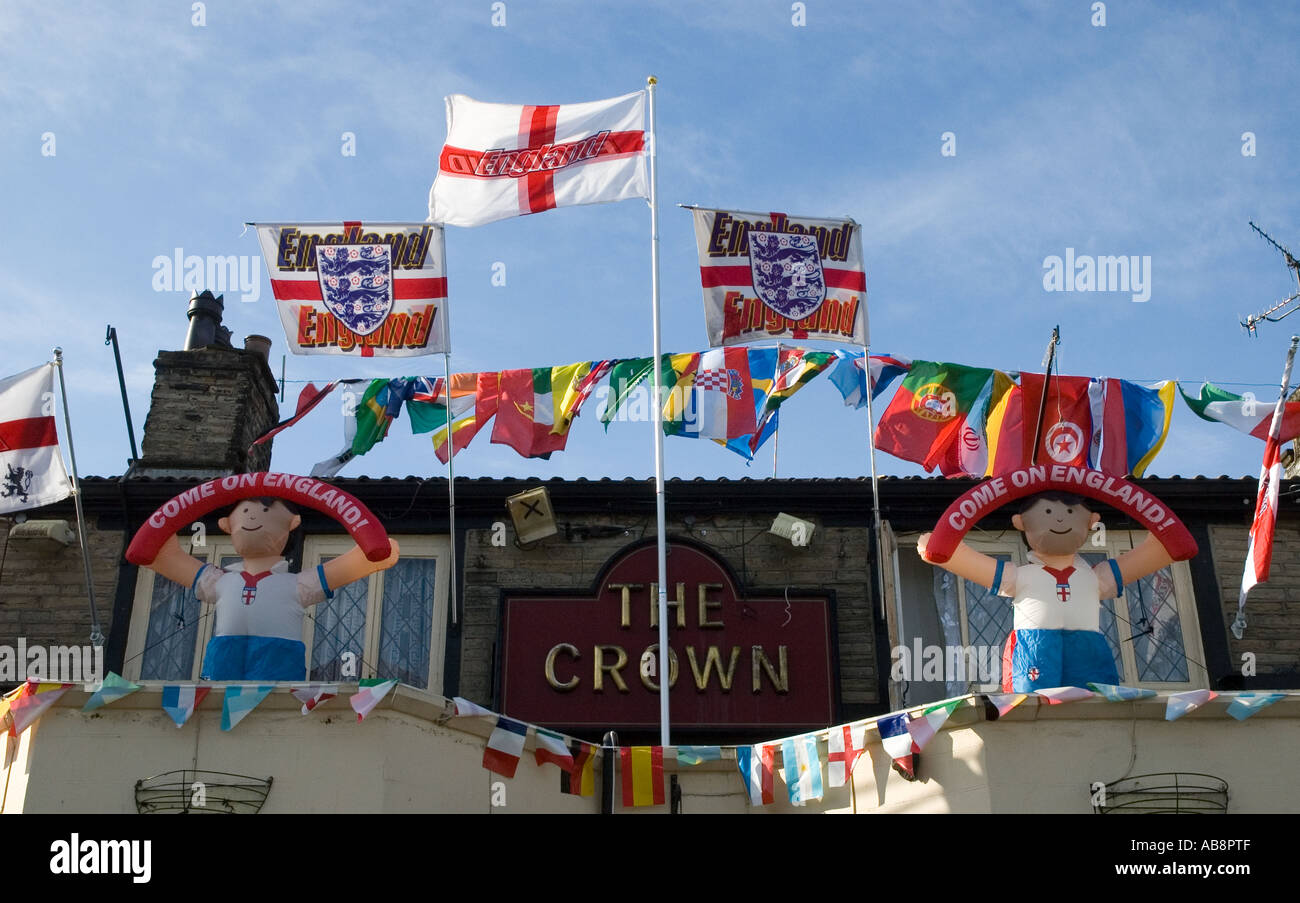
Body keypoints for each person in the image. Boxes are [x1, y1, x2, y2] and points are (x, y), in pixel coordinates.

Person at [917, 491, 1174, 692]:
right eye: (1048, 511)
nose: (1060, 519)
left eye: (1071, 512)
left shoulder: (1095, 576)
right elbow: (965, 561)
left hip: (1087, 645)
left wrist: (1166, 540)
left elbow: (1159, 552)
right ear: (1021, 523)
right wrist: (943, 549)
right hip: (1035, 646)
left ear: (1092, 521)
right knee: (1033, 701)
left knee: (1095, 699)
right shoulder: (1020, 575)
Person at [142, 497, 400, 680]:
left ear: (292, 524)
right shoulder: (221, 581)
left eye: (265, 512)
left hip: (278, 667)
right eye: (243, 512)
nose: (252, 517)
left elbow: (352, 565)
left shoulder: (296, 584)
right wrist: (157, 538)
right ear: (226, 525)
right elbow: (165, 559)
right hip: (223, 664)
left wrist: (370, 550)